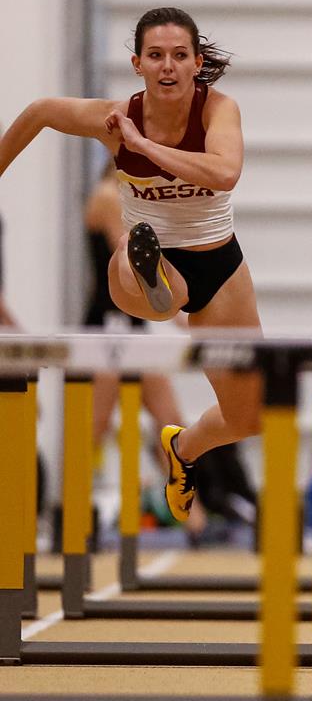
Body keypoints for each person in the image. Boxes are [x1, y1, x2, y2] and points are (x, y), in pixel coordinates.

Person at [0, 6, 264, 523]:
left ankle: (183, 448)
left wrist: (142, 146)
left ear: (197, 62)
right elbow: (39, 112)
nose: (168, 66)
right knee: (146, 265)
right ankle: (150, 268)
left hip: (220, 264)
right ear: (137, 63)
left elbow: (225, 173)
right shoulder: (113, 116)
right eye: (156, 56)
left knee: (248, 415)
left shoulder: (219, 111)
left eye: (179, 56)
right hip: (139, 268)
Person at [82, 162, 199, 531]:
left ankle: (195, 519)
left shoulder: (124, 203)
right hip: (105, 330)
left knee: (169, 418)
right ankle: (69, 514)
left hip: (131, 328)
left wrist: (185, 315)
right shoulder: (104, 198)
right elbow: (134, 263)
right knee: (95, 427)